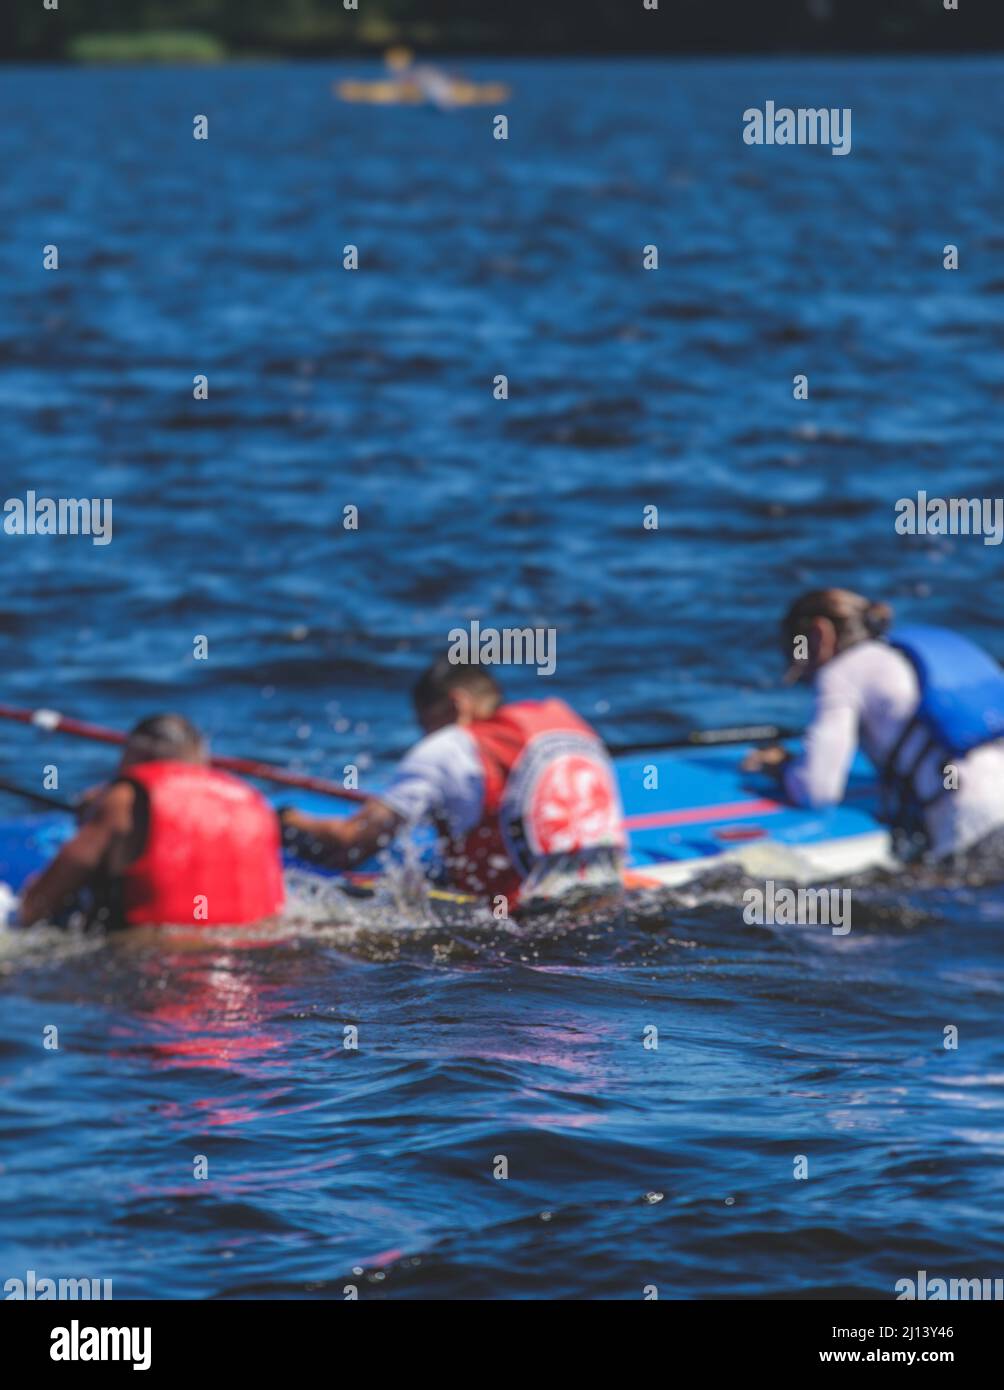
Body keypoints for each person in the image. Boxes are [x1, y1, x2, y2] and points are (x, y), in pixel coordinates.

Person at [280, 660, 626, 908]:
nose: (425, 735)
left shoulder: (448, 748)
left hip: (524, 922)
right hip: (609, 900)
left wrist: (284, 822)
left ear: (456, 705)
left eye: (426, 724)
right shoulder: (567, 723)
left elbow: (351, 845)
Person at [743, 588, 1004, 865]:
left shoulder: (841, 673)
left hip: (975, 831)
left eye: (796, 647)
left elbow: (817, 790)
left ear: (820, 635)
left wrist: (782, 768)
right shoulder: (905, 656)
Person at [19, 714, 284, 928]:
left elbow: (37, 904)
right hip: (256, 957)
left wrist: (97, 816)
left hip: (157, 964)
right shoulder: (251, 799)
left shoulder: (124, 800)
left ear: (133, 758)